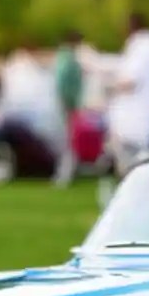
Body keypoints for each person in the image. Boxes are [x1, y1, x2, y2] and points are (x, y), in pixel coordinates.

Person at [107, 13, 149, 175]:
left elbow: (130, 81)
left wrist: (110, 87)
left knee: (131, 171)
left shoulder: (141, 46)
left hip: (133, 123)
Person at [52, 30, 84, 187]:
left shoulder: (64, 58)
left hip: (67, 105)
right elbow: (63, 84)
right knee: (69, 141)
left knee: (69, 141)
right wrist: (69, 104)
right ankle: (64, 175)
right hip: (68, 106)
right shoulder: (68, 59)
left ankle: (66, 174)